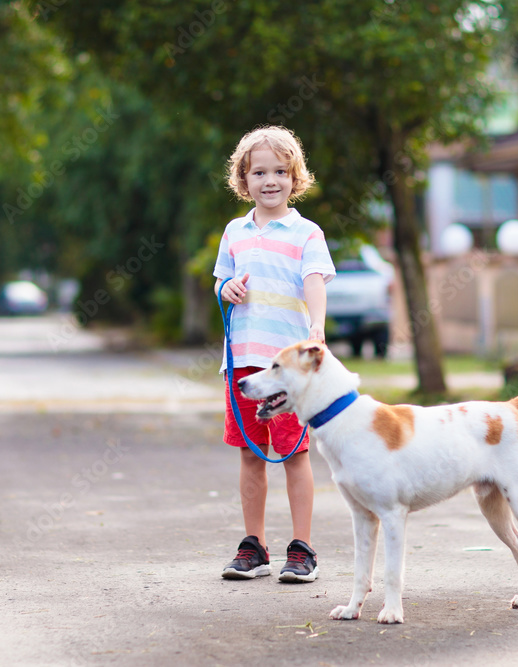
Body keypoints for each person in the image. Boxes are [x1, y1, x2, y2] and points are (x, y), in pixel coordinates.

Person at [213, 126, 335, 583]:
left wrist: (316, 325)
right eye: (259, 172)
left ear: (295, 178)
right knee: (250, 454)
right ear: (243, 180)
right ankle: (254, 546)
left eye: (281, 171)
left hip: (286, 370)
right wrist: (226, 287)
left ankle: (302, 549)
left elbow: (314, 280)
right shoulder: (234, 232)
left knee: (294, 454)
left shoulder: (307, 232)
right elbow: (221, 283)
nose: (270, 180)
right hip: (242, 362)